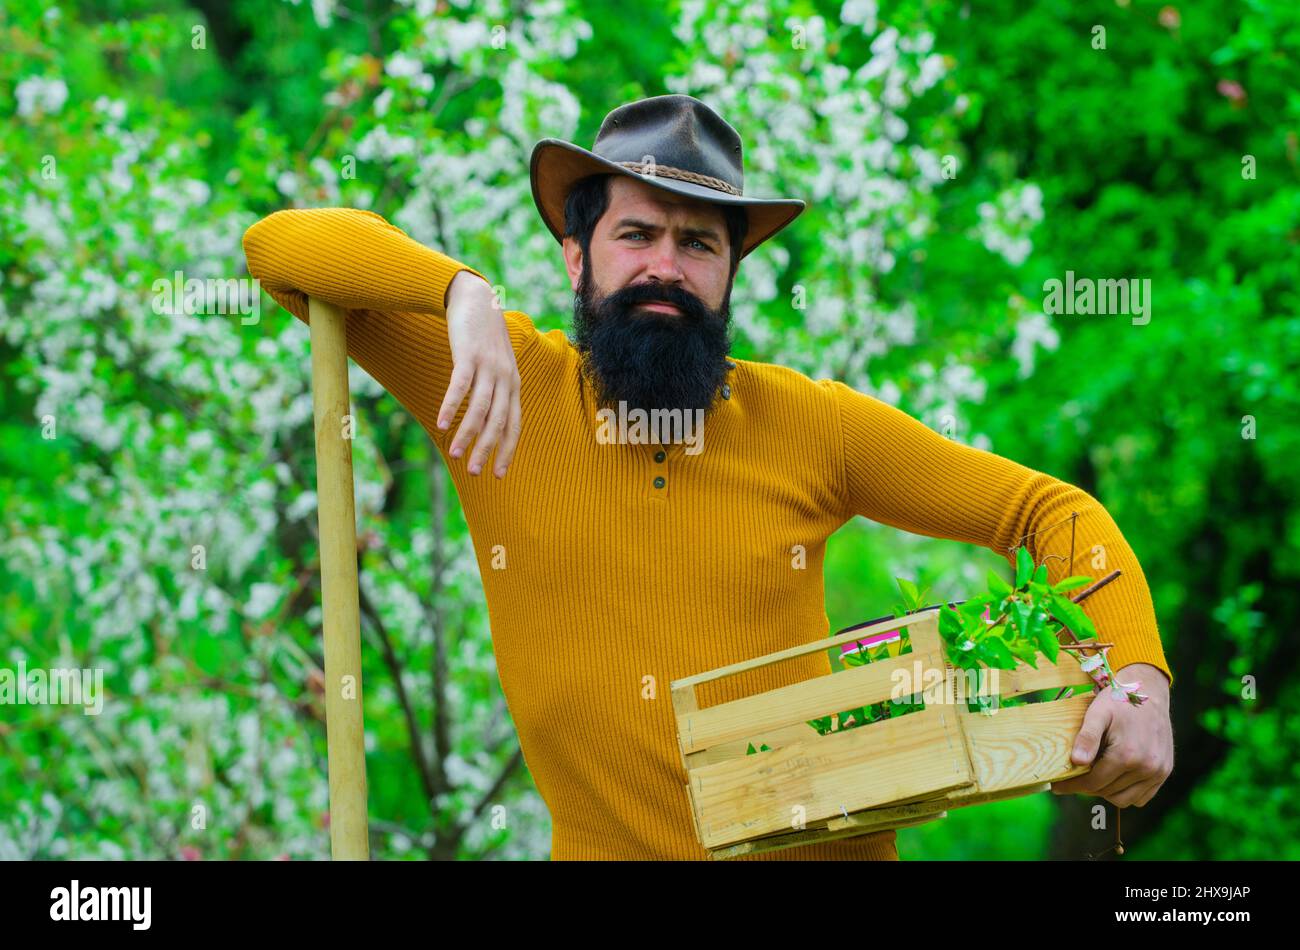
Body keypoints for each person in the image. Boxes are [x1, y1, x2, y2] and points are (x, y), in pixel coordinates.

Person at [242, 94, 1173, 861]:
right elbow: (281, 250)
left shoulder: (810, 426)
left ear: (731, 273)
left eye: (699, 246)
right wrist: (459, 291)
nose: (665, 268)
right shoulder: (503, 386)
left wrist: (1138, 678)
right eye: (636, 235)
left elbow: (1047, 510)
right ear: (577, 256)